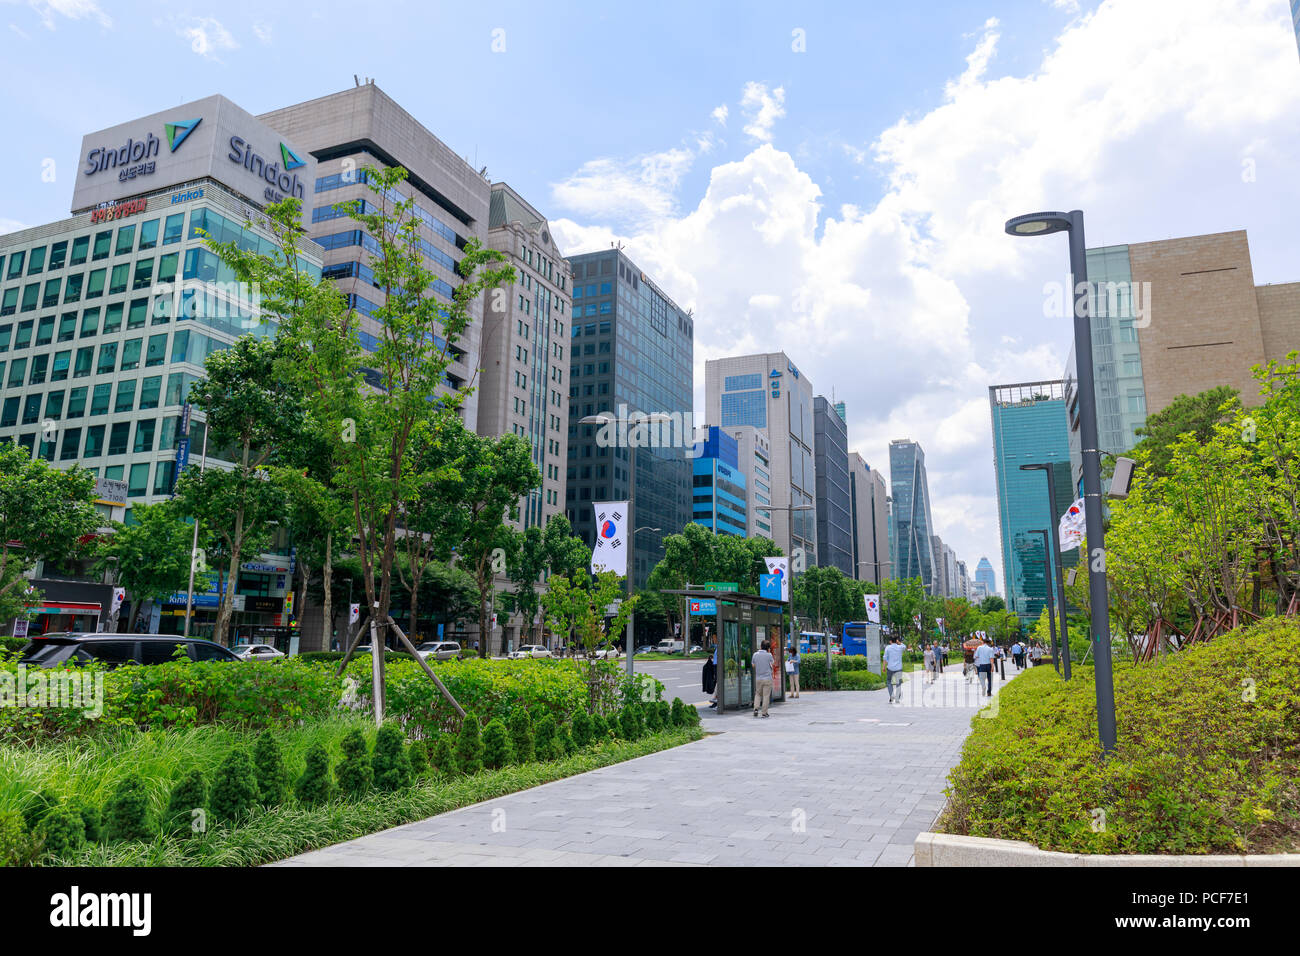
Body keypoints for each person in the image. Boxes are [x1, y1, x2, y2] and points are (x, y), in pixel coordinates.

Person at [752, 640, 775, 718]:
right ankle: (764, 713)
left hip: (758, 678)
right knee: (766, 696)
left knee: (758, 694)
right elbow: (772, 663)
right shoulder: (769, 655)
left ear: (761, 646)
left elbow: (753, 665)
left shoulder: (755, 654)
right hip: (767, 678)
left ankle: (755, 708)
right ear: (768, 648)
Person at [883, 635, 905, 704]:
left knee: (889, 681)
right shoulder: (900, 647)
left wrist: (883, 667)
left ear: (890, 641)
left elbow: (885, 658)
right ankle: (897, 698)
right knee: (898, 683)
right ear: (896, 641)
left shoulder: (888, 648)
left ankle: (891, 696)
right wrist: (899, 642)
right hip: (898, 668)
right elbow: (904, 646)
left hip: (890, 668)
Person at [703, 640, 718, 708]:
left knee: (718, 683)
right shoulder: (718, 647)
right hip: (715, 666)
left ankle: (715, 698)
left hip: (717, 666)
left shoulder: (720, 647)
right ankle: (715, 700)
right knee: (717, 683)